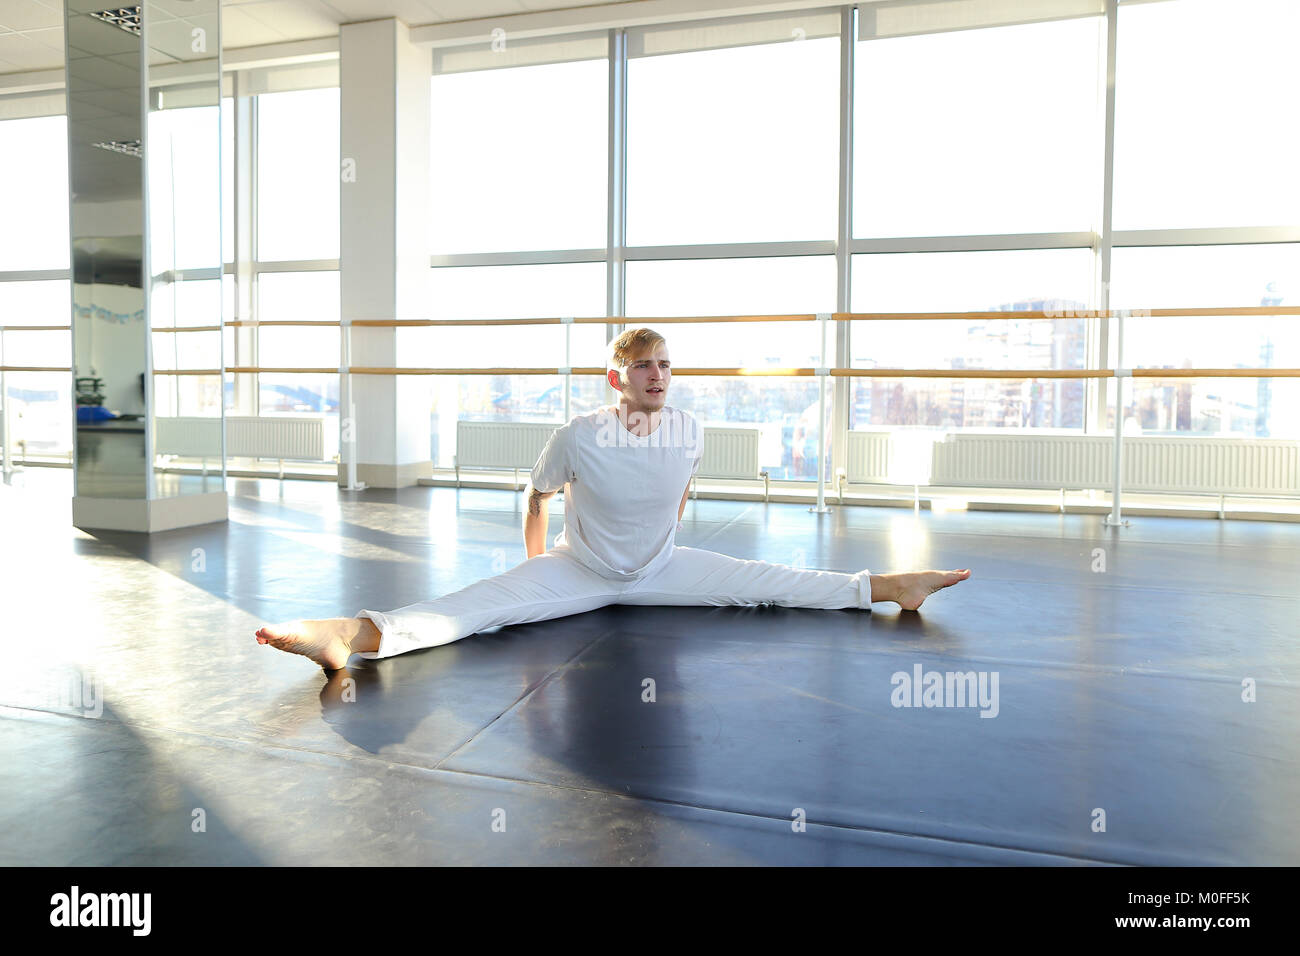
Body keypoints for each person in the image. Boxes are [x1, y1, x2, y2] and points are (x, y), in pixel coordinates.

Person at [256, 327, 971, 670]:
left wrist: (660, 552)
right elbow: (536, 500)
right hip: (579, 571)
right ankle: (347, 635)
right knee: (471, 611)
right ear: (616, 377)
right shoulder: (578, 433)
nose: (657, 374)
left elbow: (679, 496)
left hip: (661, 569)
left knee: (771, 583)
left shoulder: (691, 429)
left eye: (665, 364)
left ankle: (893, 586)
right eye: (642, 365)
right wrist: (533, 571)